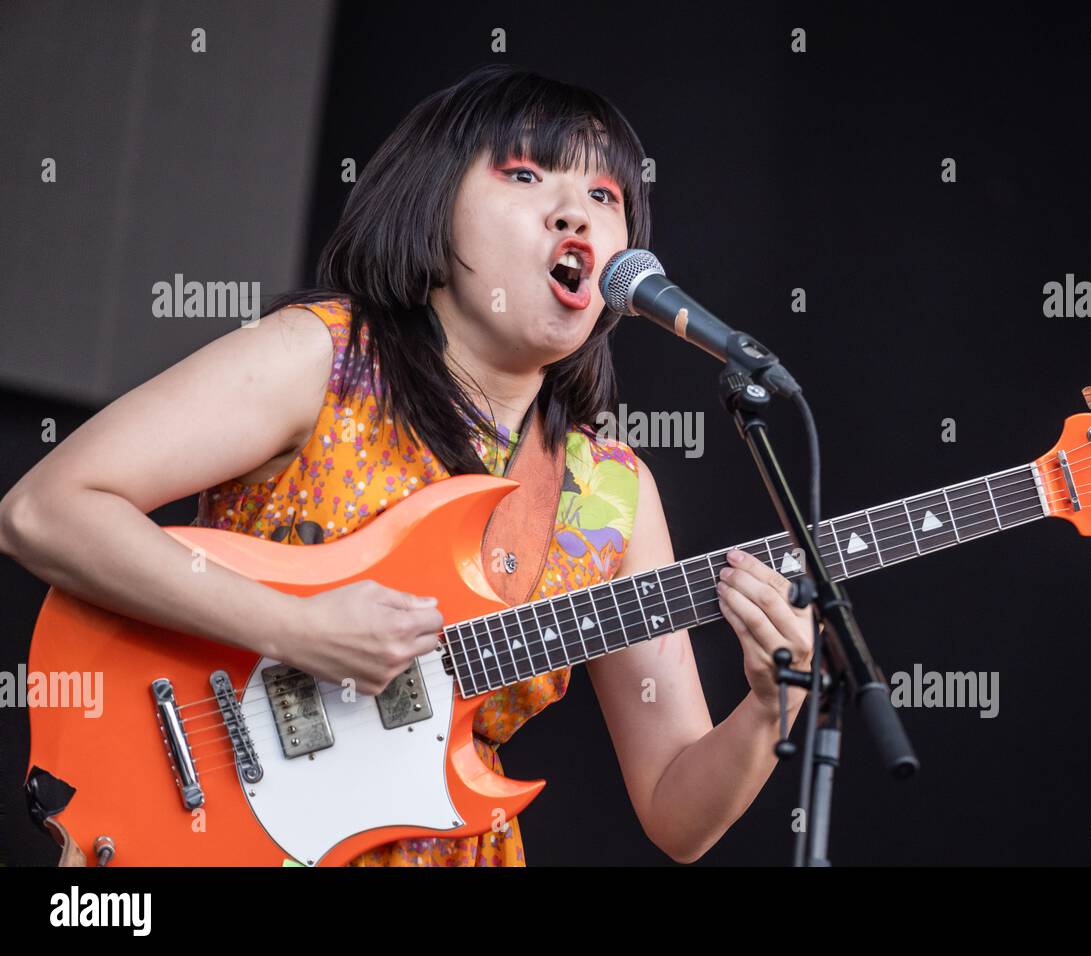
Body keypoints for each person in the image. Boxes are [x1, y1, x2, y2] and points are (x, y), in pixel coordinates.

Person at [0, 63, 815, 866]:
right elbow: (45, 511)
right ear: (435, 207)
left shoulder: (610, 492)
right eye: (527, 173)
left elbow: (678, 814)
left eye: (606, 196)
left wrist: (770, 705)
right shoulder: (323, 358)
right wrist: (295, 628)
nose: (577, 211)